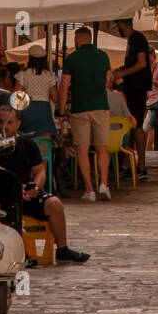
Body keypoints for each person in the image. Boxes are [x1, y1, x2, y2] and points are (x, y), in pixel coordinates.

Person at [0, 106, 89, 263]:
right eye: (1, 122)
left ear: (18, 124)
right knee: (7, 204)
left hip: (27, 193)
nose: (5, 126)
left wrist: (36, 187)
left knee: (54, 204)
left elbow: (40, 171)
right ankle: (19, 252)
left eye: (9, 122)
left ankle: (62, 249)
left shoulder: (28, 144)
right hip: (4, 195)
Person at [58, 26, 112, 202]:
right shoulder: (103, 56)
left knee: (82, 149)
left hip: (80, 108)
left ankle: (89, 191)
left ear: (77, 39)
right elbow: (107, 81)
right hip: (101, 106)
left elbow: (64, 85)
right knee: (102, 148)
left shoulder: (72, 58)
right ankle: (104, 184)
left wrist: (61, 110)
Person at [112, 17, 152, 177]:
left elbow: (142, 63)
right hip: (132, 87)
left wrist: (123, 73)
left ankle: (141, 166)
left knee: (136, 126)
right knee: (130, 125)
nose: (117, 29)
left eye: (117, 26)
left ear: (122, 24)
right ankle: (127, 165)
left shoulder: (137, 38)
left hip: (137, 88)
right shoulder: (132, 40)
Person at [16, 44, 58, 136]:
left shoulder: (23, 74)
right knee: (44, 142)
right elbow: (55, 98)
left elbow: (16, 96)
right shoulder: (50, 76)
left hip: (27, 108)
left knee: (26, 140)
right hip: (44, 110)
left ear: (30, 58)